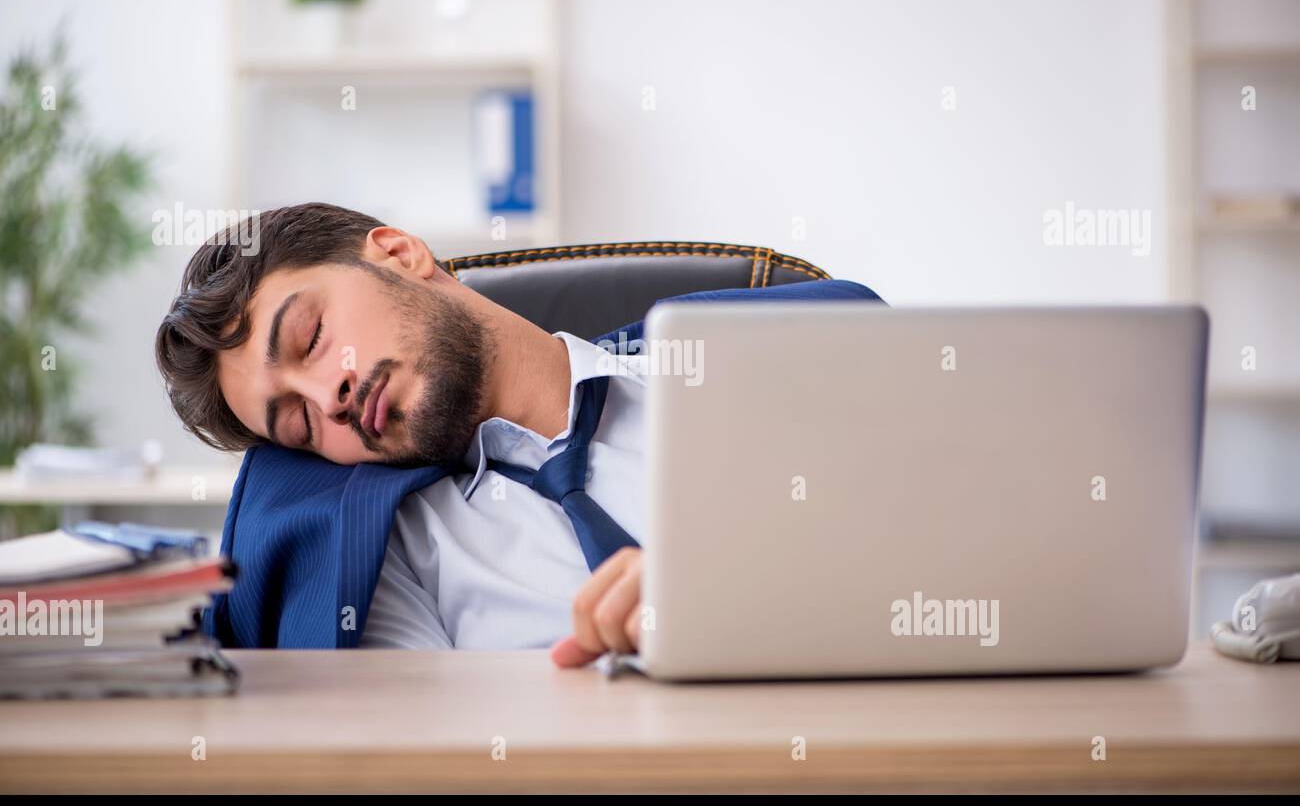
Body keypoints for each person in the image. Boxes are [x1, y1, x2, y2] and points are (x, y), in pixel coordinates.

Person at [155, 202, 881, 662]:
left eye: (311, 336)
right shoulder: (394, 555)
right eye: (299, 423)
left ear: (400, 252)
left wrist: (744, 585)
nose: (330, 397)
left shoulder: (746, 373)